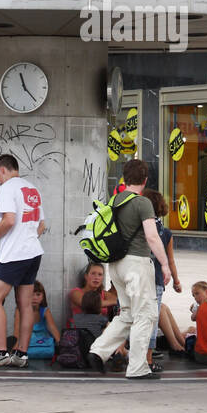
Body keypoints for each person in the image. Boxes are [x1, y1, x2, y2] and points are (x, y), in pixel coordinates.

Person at [85, 159, 172, 380]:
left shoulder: (116, 199)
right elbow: (152, 237)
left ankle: (98, 352)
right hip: (136, 264)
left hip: (116, 266)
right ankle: (138, 367)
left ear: (124, 178)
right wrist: (164, 264)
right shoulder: (143, 203)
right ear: (145, 179)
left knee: (127, 314)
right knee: (145, 315)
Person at [0, 154, 48, 370]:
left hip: (15, 254)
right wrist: (27, 238)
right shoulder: (31, 188)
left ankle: (0, 352)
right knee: (25, 304)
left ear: (2, 171)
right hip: (33, 252)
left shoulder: (7, 187)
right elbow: (41, 225)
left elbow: (9, 220)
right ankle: (21, 355)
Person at [145, 189, 181, 357]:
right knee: (153, 317)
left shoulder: (140, 229)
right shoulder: (165, 233)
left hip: (139, 278)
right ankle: (149, 357)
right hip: (157, 280)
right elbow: (171, 260)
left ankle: (131, 352)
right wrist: (176, 281)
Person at [69, 261, 118, 326]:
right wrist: (115, 301)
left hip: (99, 333)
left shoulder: (104, 294)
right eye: (93, 273)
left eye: (100, 274)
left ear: (102, 278)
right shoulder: (76, 292)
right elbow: (90, 304)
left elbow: (122, 301)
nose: (96, 277)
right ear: (86, 276)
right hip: (79, 332)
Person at [22, 281, 61, 360]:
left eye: (38, 294)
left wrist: (62, 345)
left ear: (43, 297)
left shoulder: (45, 311)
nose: (35, 297)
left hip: (44, 344)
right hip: (26, 343)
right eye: (31, 294)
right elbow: (17, 332)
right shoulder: (21, 310)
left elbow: (52, 328)